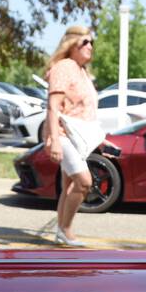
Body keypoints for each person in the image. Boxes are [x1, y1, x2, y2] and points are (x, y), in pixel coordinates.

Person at [40, 25, 102, 247]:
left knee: (69, 186)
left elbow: (85, 111)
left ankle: (61, 230)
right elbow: (53, 107)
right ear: (72, 44)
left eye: (92, 42)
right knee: (84, 182)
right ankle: (66, 230)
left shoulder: (81, 71)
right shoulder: (65, 67)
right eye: (86, 42)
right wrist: (54, 140)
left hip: (77, 138)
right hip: (64, 135)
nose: (90, 46)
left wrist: (101, 139)